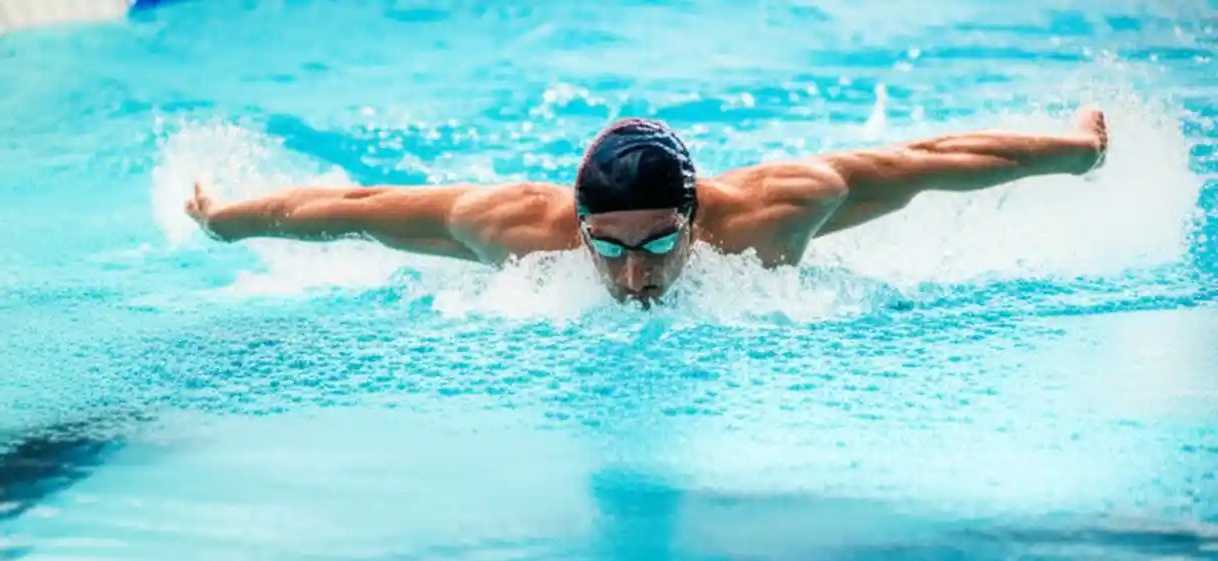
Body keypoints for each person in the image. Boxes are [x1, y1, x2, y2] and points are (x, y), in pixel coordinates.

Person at [186, 106, 1109, 305]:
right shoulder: (512, 227)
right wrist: (227, 218)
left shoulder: (774, 212)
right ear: (576, 227)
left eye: (662, 241)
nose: (635, 274)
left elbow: (930, 160)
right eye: (609, 248)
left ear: (697, 216)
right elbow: (357, 204)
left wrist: (1074, 152)